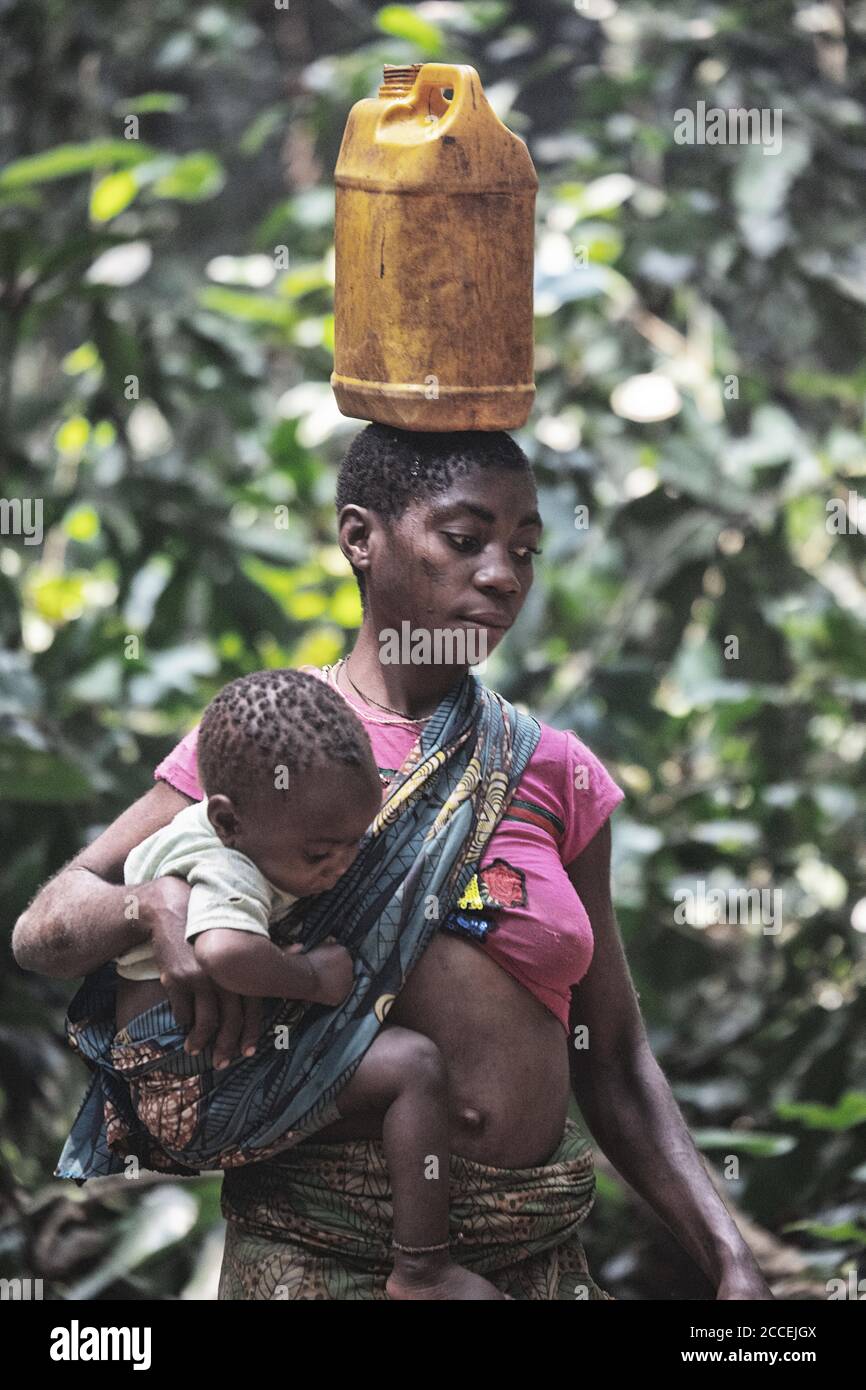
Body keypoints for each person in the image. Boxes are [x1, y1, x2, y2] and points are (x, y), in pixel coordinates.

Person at [13, 425, 774, 1300]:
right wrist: (148, 905)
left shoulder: (554, 770)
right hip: (324, 1257)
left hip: (534, 1260)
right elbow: (44, 933)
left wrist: (730, 1259)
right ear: (359, 538)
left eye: (524, 549)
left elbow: (613, 1054)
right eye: (464, 540)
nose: (503, 574)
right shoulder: (274, 745)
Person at [55, 666, 512, 1300]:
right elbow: (223, 951)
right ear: (229, 821)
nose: (341, 869)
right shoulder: (226, 865)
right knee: (414, 1067)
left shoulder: (252, 828)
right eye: (322, 855)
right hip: (190, 1081)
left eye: (355, 846)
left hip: (179, 1067)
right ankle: (423, 1271)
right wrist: (312, 978)